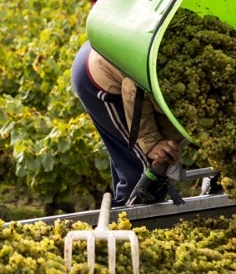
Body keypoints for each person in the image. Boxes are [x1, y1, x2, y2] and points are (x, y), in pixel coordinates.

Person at [71, 40, 182, 206]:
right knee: (145, 169)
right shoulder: (166, 68)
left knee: (133, 158)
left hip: (107, 50)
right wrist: (151, 141)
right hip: (98, 75)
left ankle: (130, 218)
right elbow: (135, 88)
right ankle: (132, 225)